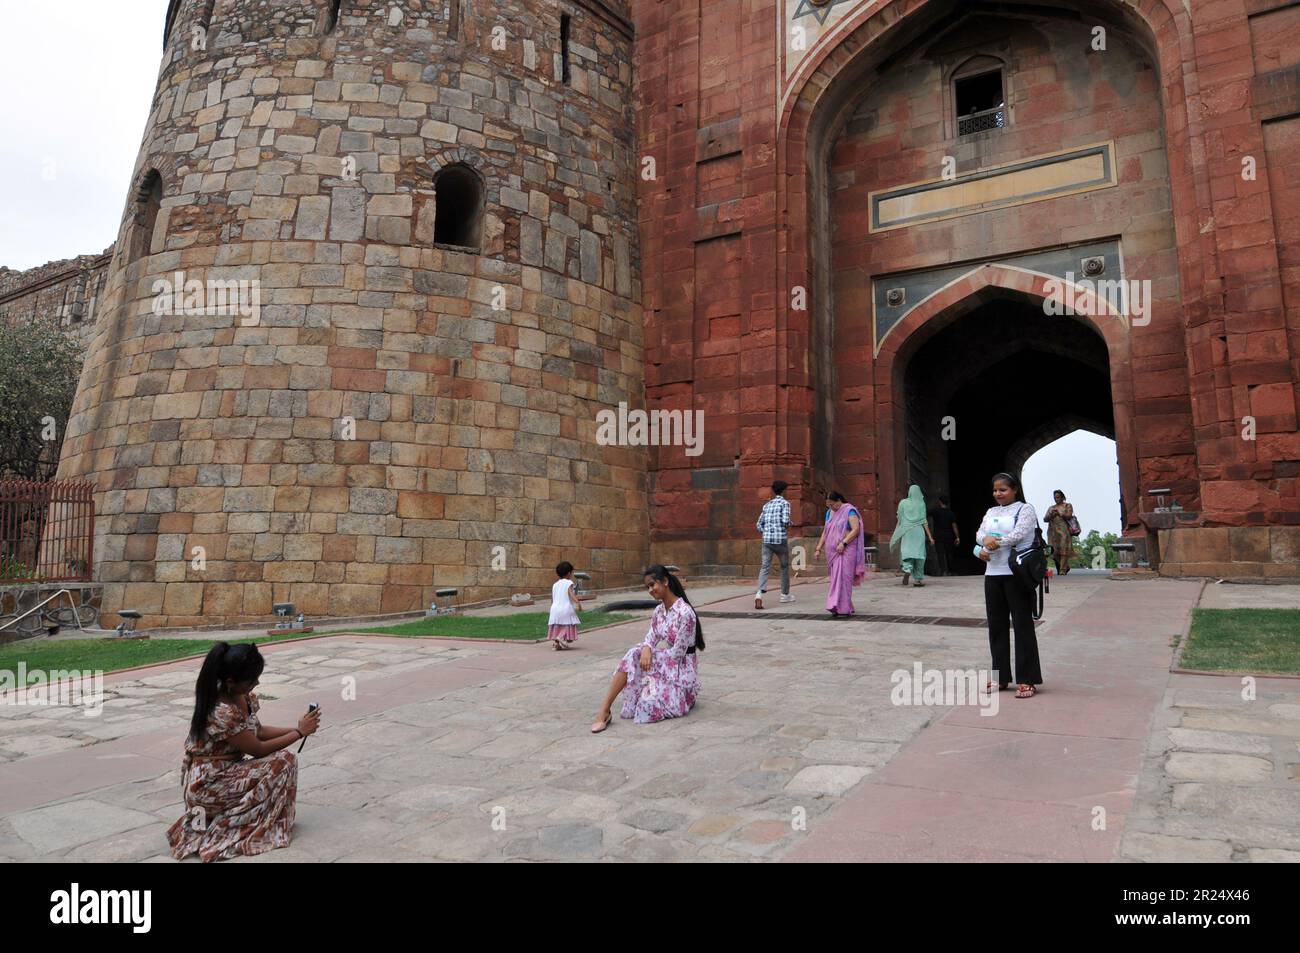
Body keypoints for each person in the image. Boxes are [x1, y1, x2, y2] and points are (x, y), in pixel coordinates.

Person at [167, 642, 321, 862]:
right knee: (283, 761)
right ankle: (244, 824)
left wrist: (298, 727)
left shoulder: (241, 696)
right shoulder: (221, 711)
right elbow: (257, 749)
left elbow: (258, 731)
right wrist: (298, 732)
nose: (256, 683)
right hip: (208, 785)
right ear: (231, 682)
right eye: (251, 680)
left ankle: (254, 818)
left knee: (284, 759)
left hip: (228, 771)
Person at [591, 565, 703, 732]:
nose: (650, 590)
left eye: (652, 585)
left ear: (665, 581)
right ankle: (604, 710)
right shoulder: (659, 611)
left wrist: (649, 655)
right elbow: (651, 637)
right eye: (647, 587)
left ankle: (663, 692)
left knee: (646, 706)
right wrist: (646, 648)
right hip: (667, 665)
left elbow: (677, 655)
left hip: (681, 673)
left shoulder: (685, 613)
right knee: (635, 653)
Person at [975, 473, 1043, 699]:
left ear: (1014, 489)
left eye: (1002, 490)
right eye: (995, 490)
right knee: (996, 626)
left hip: (1016, 572)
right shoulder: (991, 512)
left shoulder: (1025, 510)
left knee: (1022, 625)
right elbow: (979, 533)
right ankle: (1000, 676)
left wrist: (994, 543)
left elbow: (1019, 534)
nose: (998, 494)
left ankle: (1028, 678)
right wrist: (984, 541)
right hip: (993, 572)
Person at [813, 491, 866, 616]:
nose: (831, 507)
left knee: (844, 579)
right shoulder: (829, 513)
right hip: (832, 552)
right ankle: (841, 604)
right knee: (835, 579)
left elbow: (855, 530)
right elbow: (825, 532)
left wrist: (844, 543)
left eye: (832, 504)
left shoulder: (849, 511)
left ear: (838, 500)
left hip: (846, 550)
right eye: (828, 505)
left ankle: (841, 607)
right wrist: (818, 548)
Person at [755, 480, 794, 609]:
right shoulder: (785, 504)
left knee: (765, 566)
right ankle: (785, 595)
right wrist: (789, 525)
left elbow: (759, 524)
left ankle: (759, 594)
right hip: (780, 540)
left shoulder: (767, 505)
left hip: (767, 540)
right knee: (784, 567)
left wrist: (766, 532)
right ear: (783, 491)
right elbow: (785, 521)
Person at [889, 484, 935, 587]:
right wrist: (930, 537)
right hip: (919, 532)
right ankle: (918, 580)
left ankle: (907, 568)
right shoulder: (921, 503)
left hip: (907, 531)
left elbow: (899, 518)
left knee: (907, 551)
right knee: (919, 555)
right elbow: (924, 522)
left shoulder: (903, 503)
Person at [548, 560, 582, 650]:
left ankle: (556, 644)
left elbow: (553, 599)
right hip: (565, 608)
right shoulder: (569, 583)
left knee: (557, 626)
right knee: (568, 624)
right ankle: (560, 637)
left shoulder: (555, 585)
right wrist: (578, 602)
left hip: (554, 609)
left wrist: (552, 609)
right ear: (569, 573)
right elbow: (571, 594)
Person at [1043, 490, 1075, 575]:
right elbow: (1045, 519)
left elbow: (1069, 516)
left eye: (1058, 497)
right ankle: (1065, 566)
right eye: (1055, 498)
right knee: (1053, 551)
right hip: (1052, 532)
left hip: (1063, 531)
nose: (1056, 499)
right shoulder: (1051, 507)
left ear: (1062, 497)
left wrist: (1060, 513)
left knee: (1064, 550)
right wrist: (1051, 514)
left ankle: (1062, 570)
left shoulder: (1067, 505)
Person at [928, 495, 960, 577]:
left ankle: (943, 571)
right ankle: (951, 571)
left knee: (940, 554)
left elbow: (925, 513)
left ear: (940, 502)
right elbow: (954, 526)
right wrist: (957, 537)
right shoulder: (950, 513)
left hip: (938, 536)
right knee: (949, 554)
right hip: (949, 536)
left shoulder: (935, 511)